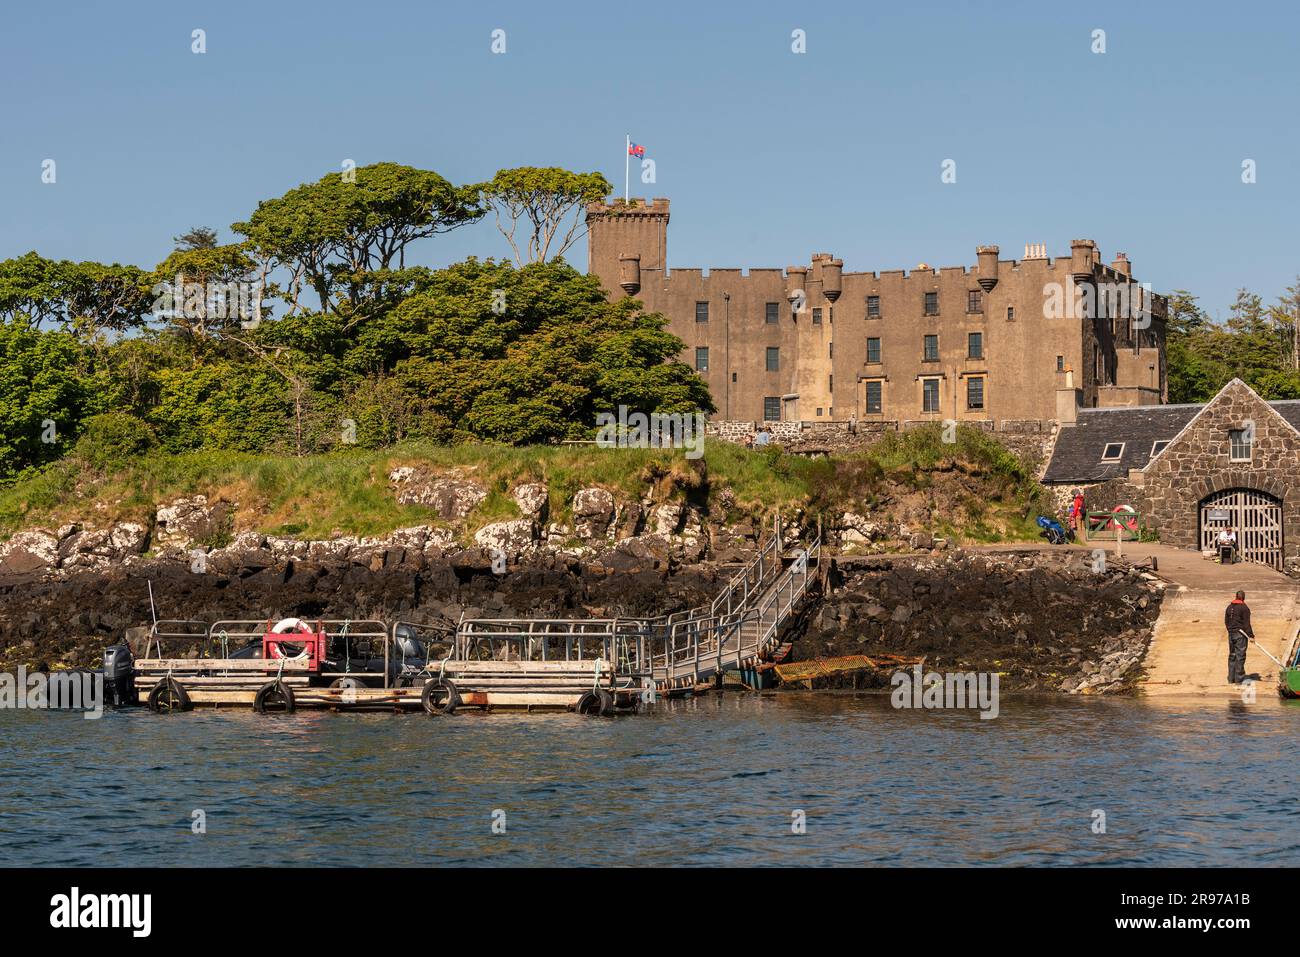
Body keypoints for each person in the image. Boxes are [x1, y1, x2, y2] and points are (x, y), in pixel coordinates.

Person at [1224, 590, 1253, 684]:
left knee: (1232, 655)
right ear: (1243, 598)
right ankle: (1239, 679)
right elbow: (1246, 624)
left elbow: (1226, 621)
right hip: (1240, 635)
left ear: (1236, 597)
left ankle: (1231, 679)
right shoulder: (1244, 608)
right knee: (1240, 656)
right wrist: (1251, 635)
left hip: (1231, 634)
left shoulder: (1229, 607)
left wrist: (1230, 630)